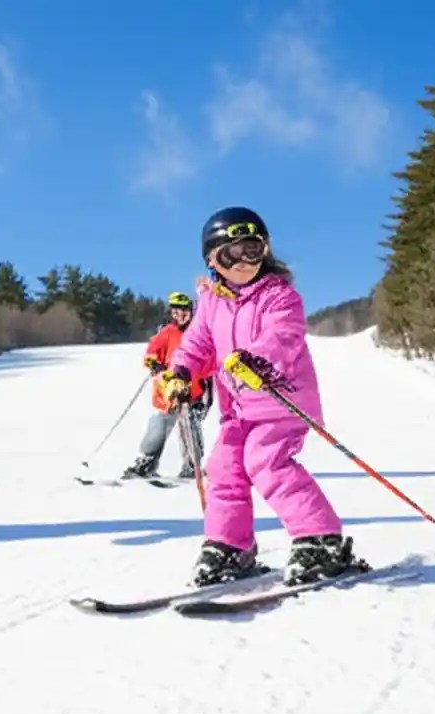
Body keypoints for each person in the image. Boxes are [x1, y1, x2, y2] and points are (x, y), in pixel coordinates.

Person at [157, 206, 361, 587]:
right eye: (230, 253)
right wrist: (180, 374)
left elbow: (283, 336)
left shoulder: (280, 296)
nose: (243, 261)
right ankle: (230, 546)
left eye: (252, 249)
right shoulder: (211, 303)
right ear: (212, 260)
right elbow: (197, 345)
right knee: (224, 468)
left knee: (266, 462)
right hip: (237, 411)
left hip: (280, 400)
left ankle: (320, 539)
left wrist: (256, 361)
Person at [121, 292, 215, 480]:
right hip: (168, 391)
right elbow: (151, 353)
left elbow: (210, 362)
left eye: (184, 310)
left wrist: (204, 386)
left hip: (192, 391)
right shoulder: (167, 333)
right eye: (175, 311)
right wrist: (154, 364)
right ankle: (147, 461)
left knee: (190, 426)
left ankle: (191, 466)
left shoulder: (199, 334)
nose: (180, 314)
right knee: (159, 425)